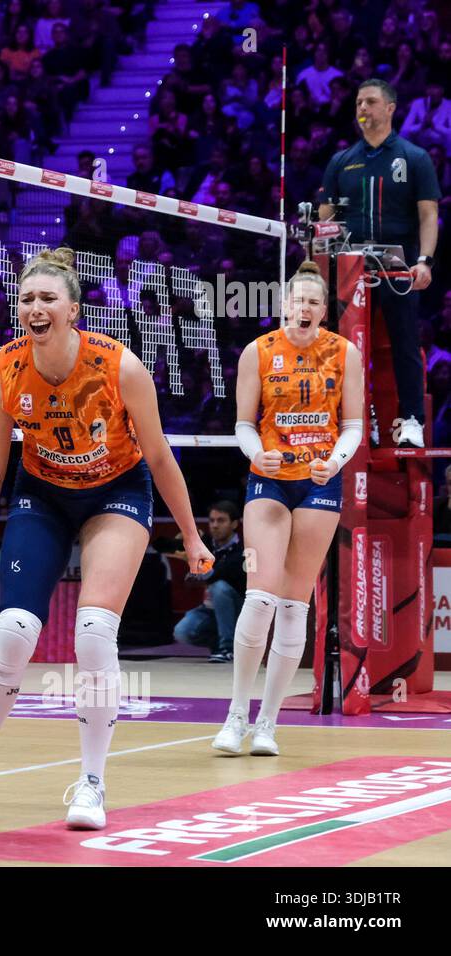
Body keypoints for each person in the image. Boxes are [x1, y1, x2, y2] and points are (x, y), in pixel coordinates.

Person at [0, 247, 214, 832]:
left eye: (48, 298)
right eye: (27, 299)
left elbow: (158, 456)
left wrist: (191, 534)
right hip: (44, 494)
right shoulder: (2, 368)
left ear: (73, 310)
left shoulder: (120, 367)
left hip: (117, 493)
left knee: (93, 630)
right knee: (13, 631)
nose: (36, 307)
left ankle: (91, 782)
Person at [216, 260, 364, 756]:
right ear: (283, 306)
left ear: (325, 311)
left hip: (319, 483)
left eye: (313, 302)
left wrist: (335, 460)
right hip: (270, 481)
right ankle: (236, 714)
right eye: (296, 301)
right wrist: (258, 453)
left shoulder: (345, 353)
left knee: (295, 603)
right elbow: (243, 424)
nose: (303, 308)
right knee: (260, 596)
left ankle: (268, 724)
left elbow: (353, 426)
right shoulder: (258, 352)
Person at [319, 78, 441, 448]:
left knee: (404, 345)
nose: (362, 109)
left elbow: (428, 215)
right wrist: (325, 263)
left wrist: (424, 261)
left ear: (390, 108)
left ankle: (411, 421)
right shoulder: (342, 160)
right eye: (358, 103)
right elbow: (325, 218)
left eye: (370, 102)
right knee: (348, 348)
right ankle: (359, 420)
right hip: (352, 270)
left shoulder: (415, 157)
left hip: (398, 270)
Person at [167, 500, 246, 662]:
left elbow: (214, 576)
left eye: (221, 520)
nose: (215, 525)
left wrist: (195, 563)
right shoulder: (205, 544)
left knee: (219, 588)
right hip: (211, 608)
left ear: (234, 523)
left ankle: (227, 649)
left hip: (240, 612)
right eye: (212, 520)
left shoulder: (244, 549)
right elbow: (190, 581)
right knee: (182, 632)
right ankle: (219, 645)